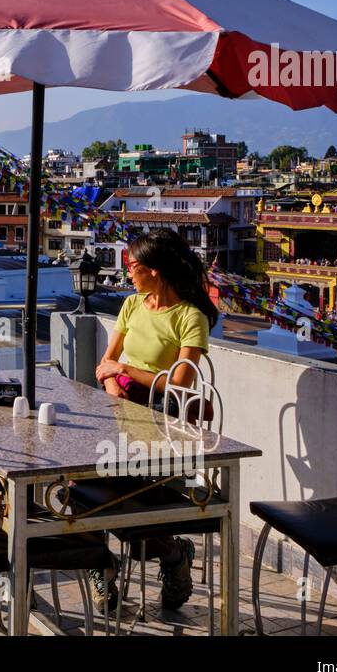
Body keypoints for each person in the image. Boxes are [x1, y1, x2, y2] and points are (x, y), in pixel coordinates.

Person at [90, 229, 219, 612]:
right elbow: (105, 365)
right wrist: (116, 388)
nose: (128, 272)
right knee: (83, 485)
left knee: (121, 503)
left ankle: (172, 554)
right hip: (119, 412)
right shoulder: (132, 305)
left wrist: (124, 370)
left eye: (134, 266)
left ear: (155, 271)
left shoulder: (190, 317)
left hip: (163, 423)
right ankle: (104, 562)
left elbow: (180, 383)